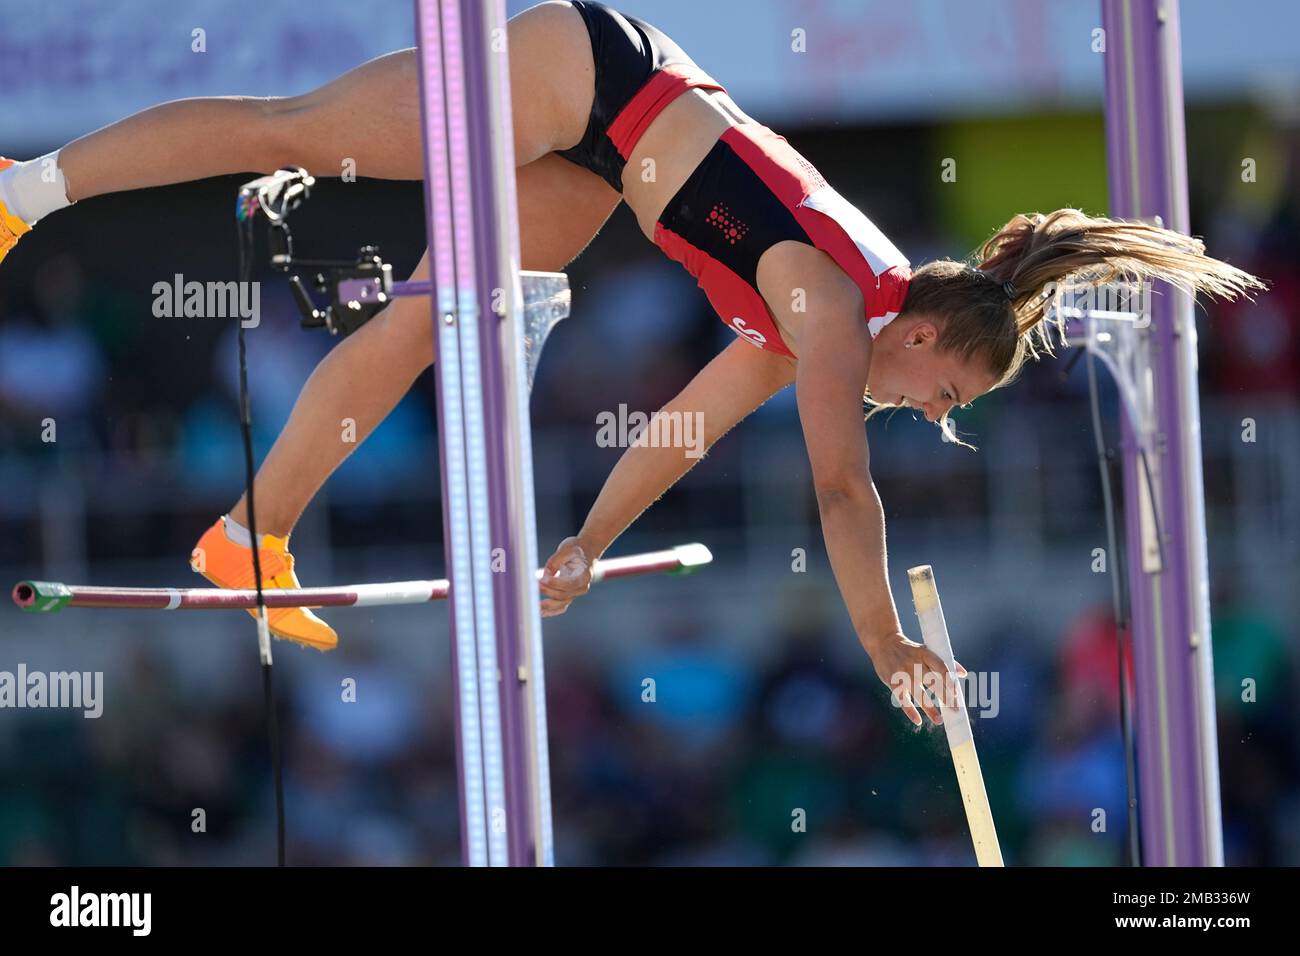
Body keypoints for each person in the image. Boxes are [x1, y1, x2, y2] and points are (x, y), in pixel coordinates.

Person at [0, 1, 1263, 726]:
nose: (924, 418)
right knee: (295, 133)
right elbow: (840, 494)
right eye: (939, 397)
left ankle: (250, 533)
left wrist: (588, 541)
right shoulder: (828, 303)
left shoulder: (820, 319)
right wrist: (889, 651)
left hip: (607, 154)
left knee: (437, 319)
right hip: (594, 75)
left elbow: (684, 427)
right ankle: (30, 187)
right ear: (920, 332)